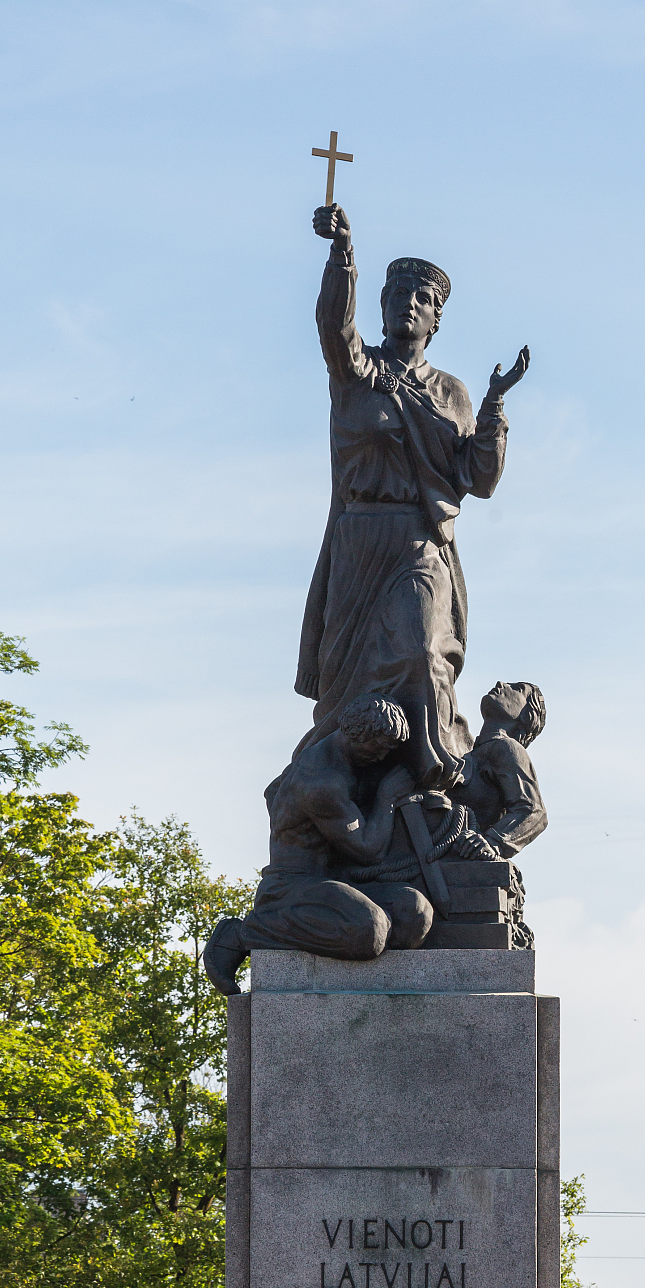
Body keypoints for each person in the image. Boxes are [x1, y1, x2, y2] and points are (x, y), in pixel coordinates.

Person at [294, 201, 529, 789]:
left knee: (424, 651)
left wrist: (495, 405)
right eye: (399, 294)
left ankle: (435, 777)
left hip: (420, 542)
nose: (410, 304)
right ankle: (338, 786)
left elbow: (480, 480)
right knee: (347, 681)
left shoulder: (451, 393)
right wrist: (342, 257)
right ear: (381, 305)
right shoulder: (356, 372)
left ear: (435, 319)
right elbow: (333, 327)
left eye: (423, 298)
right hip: (359, 541)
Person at [203, 694, 431, 994]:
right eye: (378, 748)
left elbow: (272, 791)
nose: (381, 757)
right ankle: (242, 933)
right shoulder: (321, 782)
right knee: (369, 931)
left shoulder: (332, 753)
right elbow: (369, 850)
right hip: (290, 887)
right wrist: (386, 797)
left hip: (332, 880)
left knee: (415, 912)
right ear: (357, 734)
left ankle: (374, 975)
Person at [450, 681, 548, 860]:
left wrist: (493, 842)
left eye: (518, 689)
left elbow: (533, 811)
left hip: (465, 857)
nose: (501, 684)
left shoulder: (506, 748)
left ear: (526, 716)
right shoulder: (467, 751)